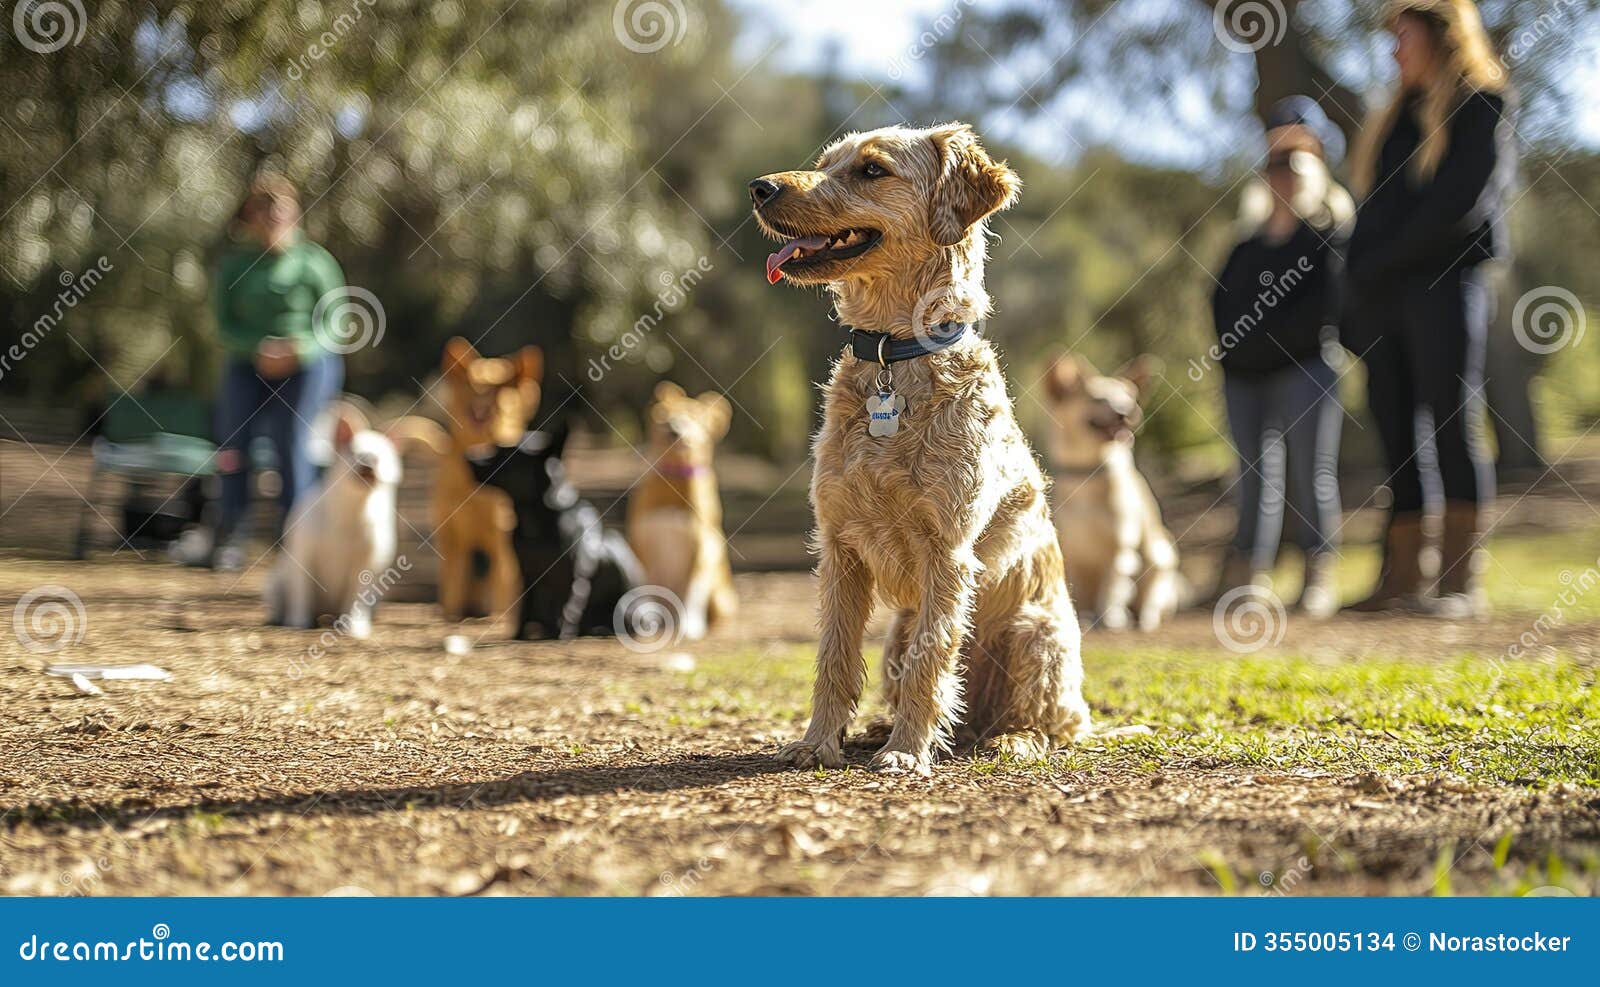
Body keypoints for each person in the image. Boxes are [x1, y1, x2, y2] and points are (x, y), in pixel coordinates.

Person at [1344, 0, 1512, 617]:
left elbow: (1456, 206)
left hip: (1445, 288)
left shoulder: (1481, 103)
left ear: (1440, 41)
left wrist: (1381, 260)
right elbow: (1372, 211)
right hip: (1384, 299)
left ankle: (1460, 583)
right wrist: (1356, 283)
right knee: (1394, 428)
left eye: (1403, 38)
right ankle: (1400, 579)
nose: (1394, 52)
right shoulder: (1394, 116)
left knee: (1450, 422)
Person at [1208, 96, 1353, 619]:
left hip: (1305, 371)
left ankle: (1318, 573)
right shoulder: (1246, 244)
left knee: (1312, 473)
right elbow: (1220, 301)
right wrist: (1234, 354)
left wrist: (1269, 345)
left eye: (1292, 166)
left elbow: (1324, 311)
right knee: (1254, 478)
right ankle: (1249, 578)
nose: (1281, 176)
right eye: (1272, 167)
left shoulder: (1326, 236)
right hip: (1243, 378)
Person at [200, 174, 345, 570]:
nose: (274, 217)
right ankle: (231, 534)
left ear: (294, 213)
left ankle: (296, 540)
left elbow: (336, 321)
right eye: (264, 210)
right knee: (232, 447)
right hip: (249, 366)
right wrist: (256, 348)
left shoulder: (315, 262)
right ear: (250, 218)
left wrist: (301, 348)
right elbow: (222, 326)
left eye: (281, 209)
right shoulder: (235, 266)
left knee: (291, 442)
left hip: (307, 367)